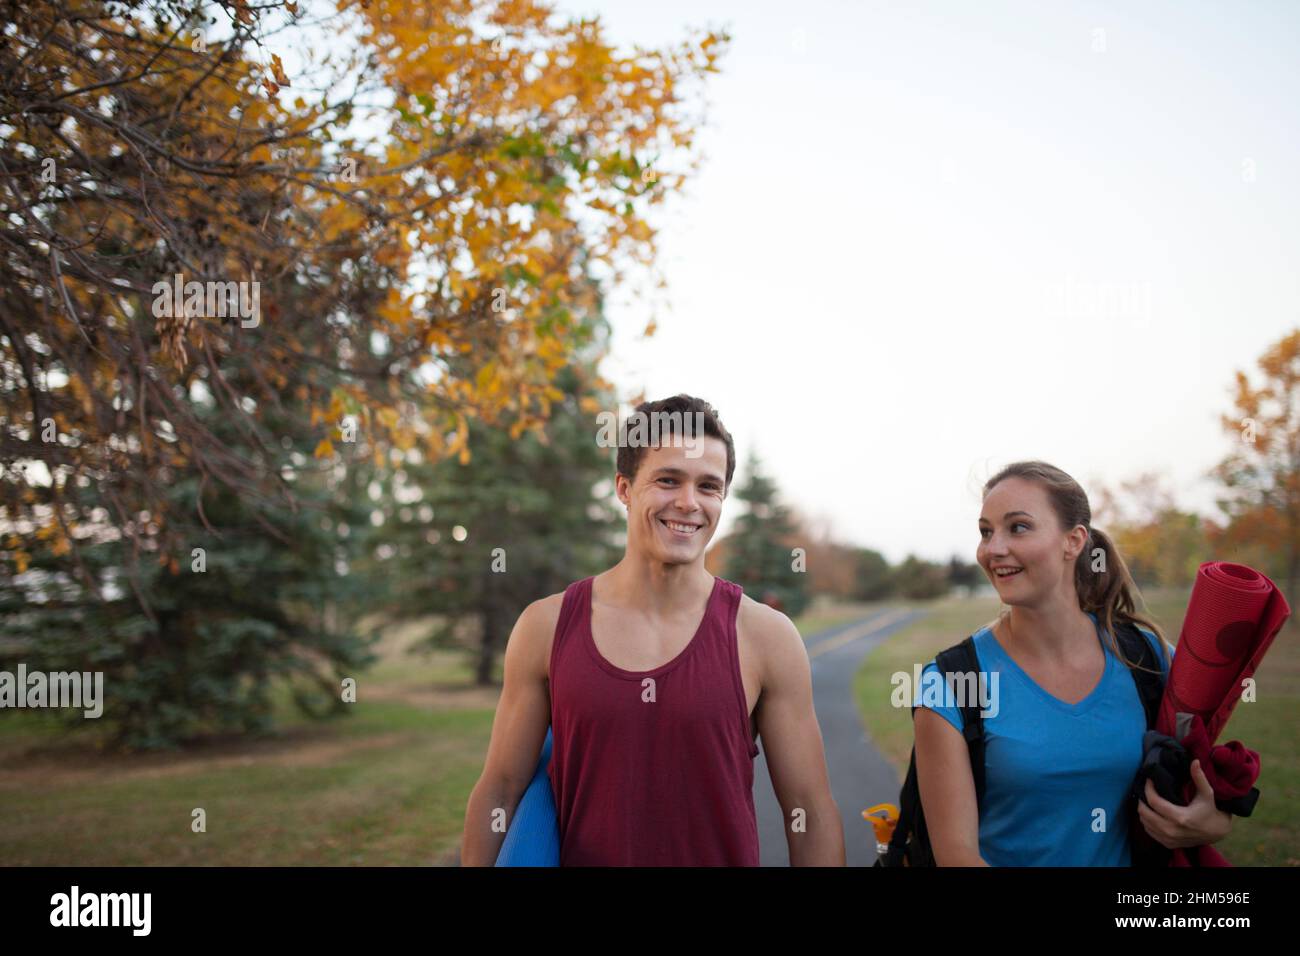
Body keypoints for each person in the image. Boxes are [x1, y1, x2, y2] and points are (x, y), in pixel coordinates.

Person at [461, 394, 844, 866]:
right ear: (624, 488)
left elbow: (809, 809)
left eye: (708, 486)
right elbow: (499, 790)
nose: (688, 503)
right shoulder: (545, 627)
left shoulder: (766, 636)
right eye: (668, 480)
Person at [913, 460, 1233, 866]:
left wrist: (1211, 823)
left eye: (1018, 527)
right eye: (985, 531)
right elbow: (957, 858)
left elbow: (1211, 792)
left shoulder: (1149, 658)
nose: (993, 549)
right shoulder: (951, 683)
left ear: (1074, 541)